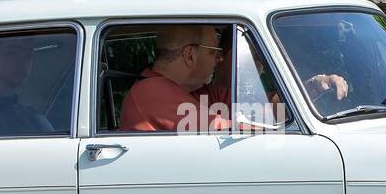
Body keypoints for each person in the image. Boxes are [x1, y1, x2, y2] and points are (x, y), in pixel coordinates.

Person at [119, 25, 351, 132]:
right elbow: (220, 129)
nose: (218, 60)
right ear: (190, 54)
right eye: (214, 52)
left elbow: (265, 109)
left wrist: (312, 87)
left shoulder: (200, 92)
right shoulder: (151, 91)